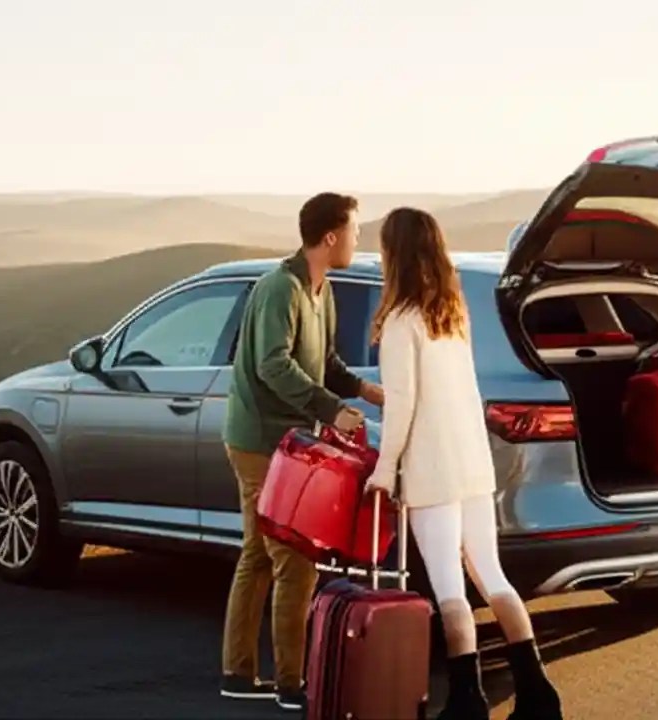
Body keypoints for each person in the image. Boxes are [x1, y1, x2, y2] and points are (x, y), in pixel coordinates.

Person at [362, 207, 563, 720]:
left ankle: (467, 703)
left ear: (394, 255)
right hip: (473, 464)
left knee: (450, 587)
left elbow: (403, 403)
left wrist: (384, 469)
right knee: (492, 576)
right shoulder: (452, 315)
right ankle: (538, 694)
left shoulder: (401, 322)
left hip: (432, 470)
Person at [219, 191, 385, 712]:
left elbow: (326, 362)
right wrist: (331, 407)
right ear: (330, 236)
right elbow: (273, 364)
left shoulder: (322, 288)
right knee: (292, 559)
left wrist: (366, 391)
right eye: (355, 231)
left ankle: (237, 673)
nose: (360, 239)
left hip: (290, 444)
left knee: (258, 554)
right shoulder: (280, 289)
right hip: (259, 441)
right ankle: (293, 684)